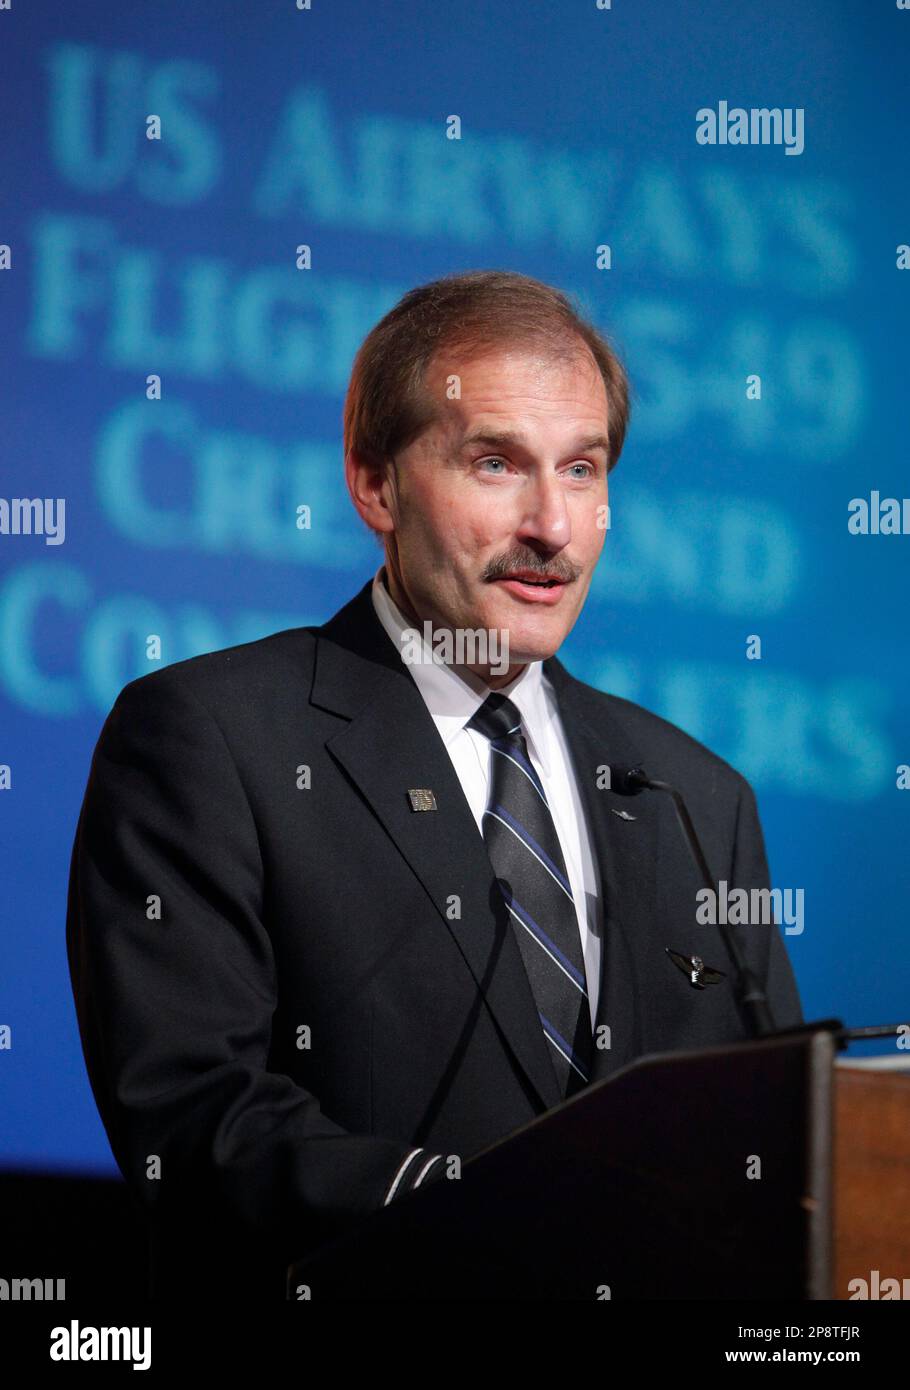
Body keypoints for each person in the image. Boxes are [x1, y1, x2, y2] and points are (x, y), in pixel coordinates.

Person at [66, 269, 802, 1300]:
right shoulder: (211, 738)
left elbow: (775, 1138)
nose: (550, 524)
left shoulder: (694, 795)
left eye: (582, 469)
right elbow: (195, 1123)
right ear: (375, 483)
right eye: (495, 463)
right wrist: (490, 1203)